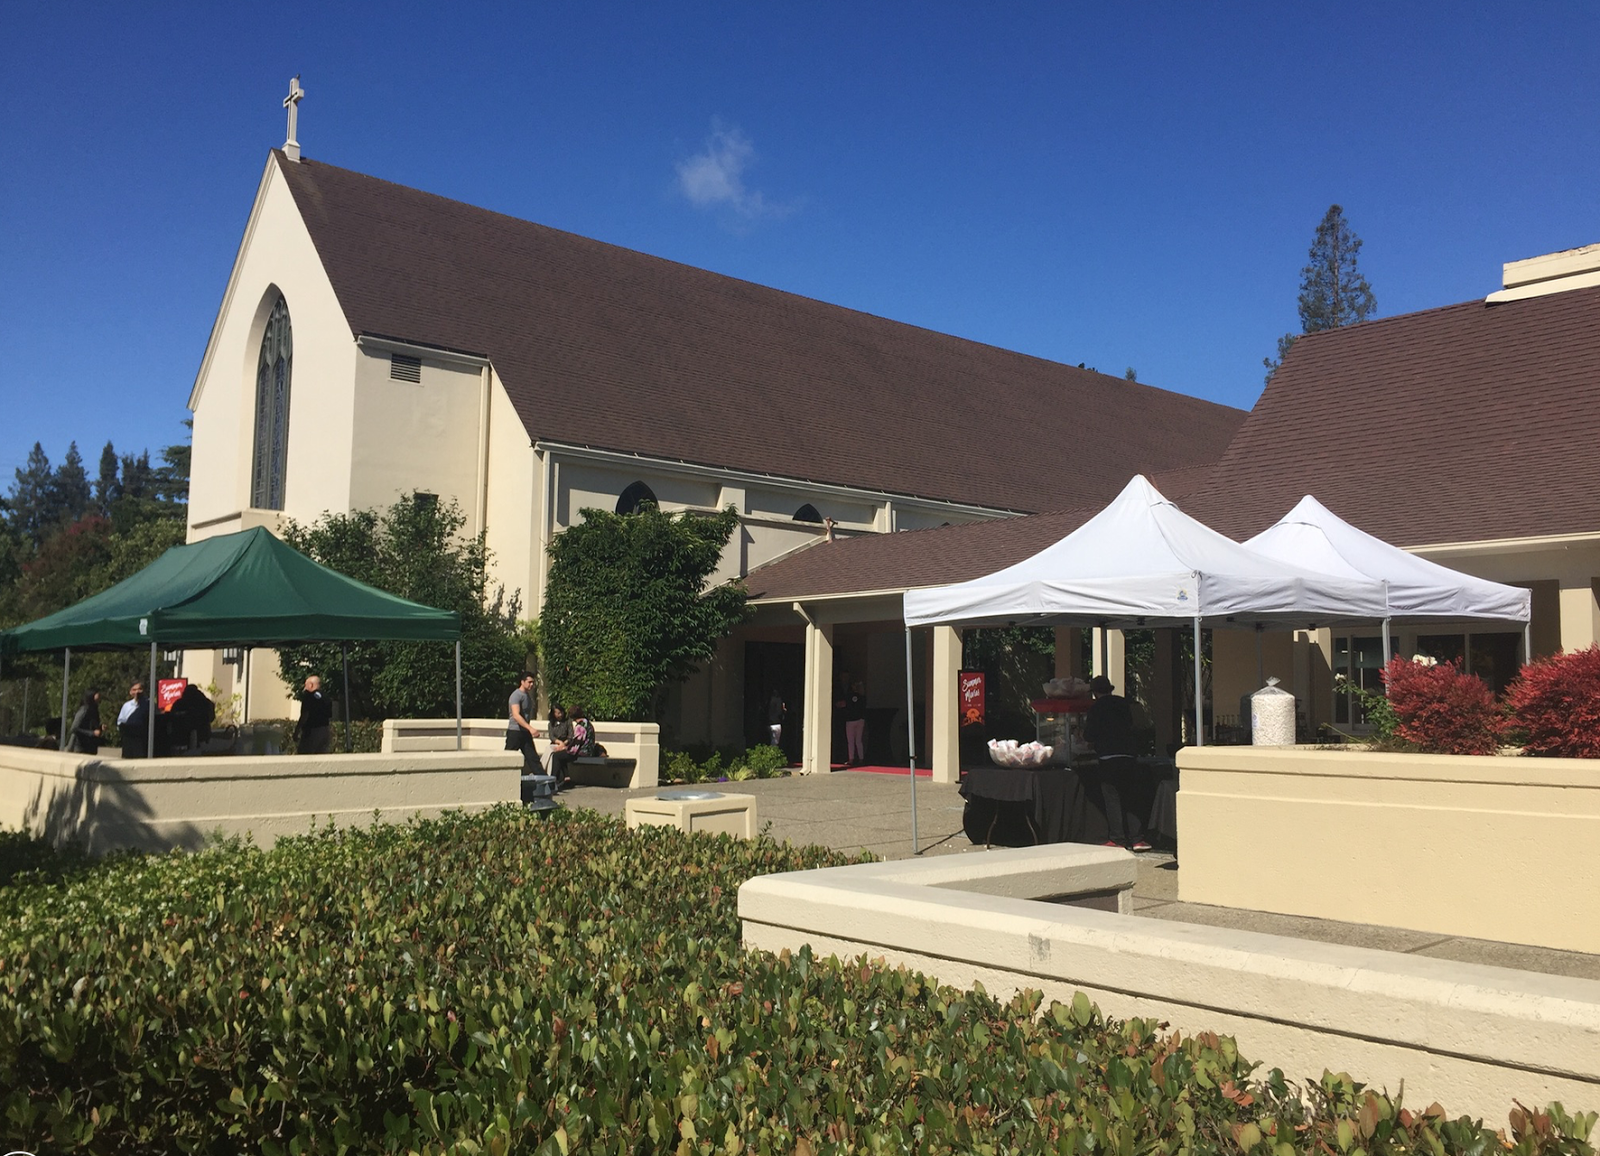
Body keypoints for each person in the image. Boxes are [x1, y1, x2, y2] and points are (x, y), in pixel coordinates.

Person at [1082, 675, 1151, 851]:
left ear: (1095, 692)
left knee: (1112, 799)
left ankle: (1118, 839)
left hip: (1108, 758)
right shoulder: (1123, 704)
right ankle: (1137, 839)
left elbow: (1089, 735)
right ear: (1110, 689)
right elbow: (1133, 725)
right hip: (1128, 756)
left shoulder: (1095, 708)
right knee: (1131, 798)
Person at [505, 672, 540, 774]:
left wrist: (528, 729)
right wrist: (530, 728)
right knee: (509, 758)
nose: (531, 684)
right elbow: (516, 715)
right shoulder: (516, 695)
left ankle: (544, 783)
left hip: (525, 732)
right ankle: (504, 780)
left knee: (533, 758)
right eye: (529, 682)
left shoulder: (527, 696)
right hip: (515, 732)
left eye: (533, 682)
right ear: (522, 682)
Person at [548, 705, 591, 787]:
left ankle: (553, 781)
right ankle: (567, 779)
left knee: (556, 756)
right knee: (562, 755)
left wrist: (565, 748)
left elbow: (575, 745)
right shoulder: (586, 723)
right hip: (587, 749)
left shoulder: (580, 727)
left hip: (583, 752)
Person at [295, 675, 334, 755]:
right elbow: (330, 715)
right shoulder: (326, 697)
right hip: (325, 731)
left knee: (304, 755)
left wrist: (297, 730)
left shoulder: (308, 697)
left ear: (311, 685)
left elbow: (305, 715)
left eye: (306, 685)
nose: (305, 688)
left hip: (311, 732)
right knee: (321, 756)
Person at [67, 689, 103, 755]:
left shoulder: (94, 710)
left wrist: (100, 728)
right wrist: (92, 733)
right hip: (81, 747)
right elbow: (74, 728)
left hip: (91, 747)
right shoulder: (84, 710)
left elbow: (91, 726)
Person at [120, 685, 151, 759]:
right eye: (134, 690)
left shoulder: (149, 704)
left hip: (142, 740)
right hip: (129, 739)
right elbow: (121, 721)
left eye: (139, 689)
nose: (137, 692)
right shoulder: (126, 706)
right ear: (130, 692)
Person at [842, 680, 868, 766]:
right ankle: (861, 759)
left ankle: (851, 759)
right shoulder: (862, 696)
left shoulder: (849, 695)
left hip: (851, 720)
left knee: (851, 740)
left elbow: (844, 704)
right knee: (859, 740)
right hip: (860, 720)